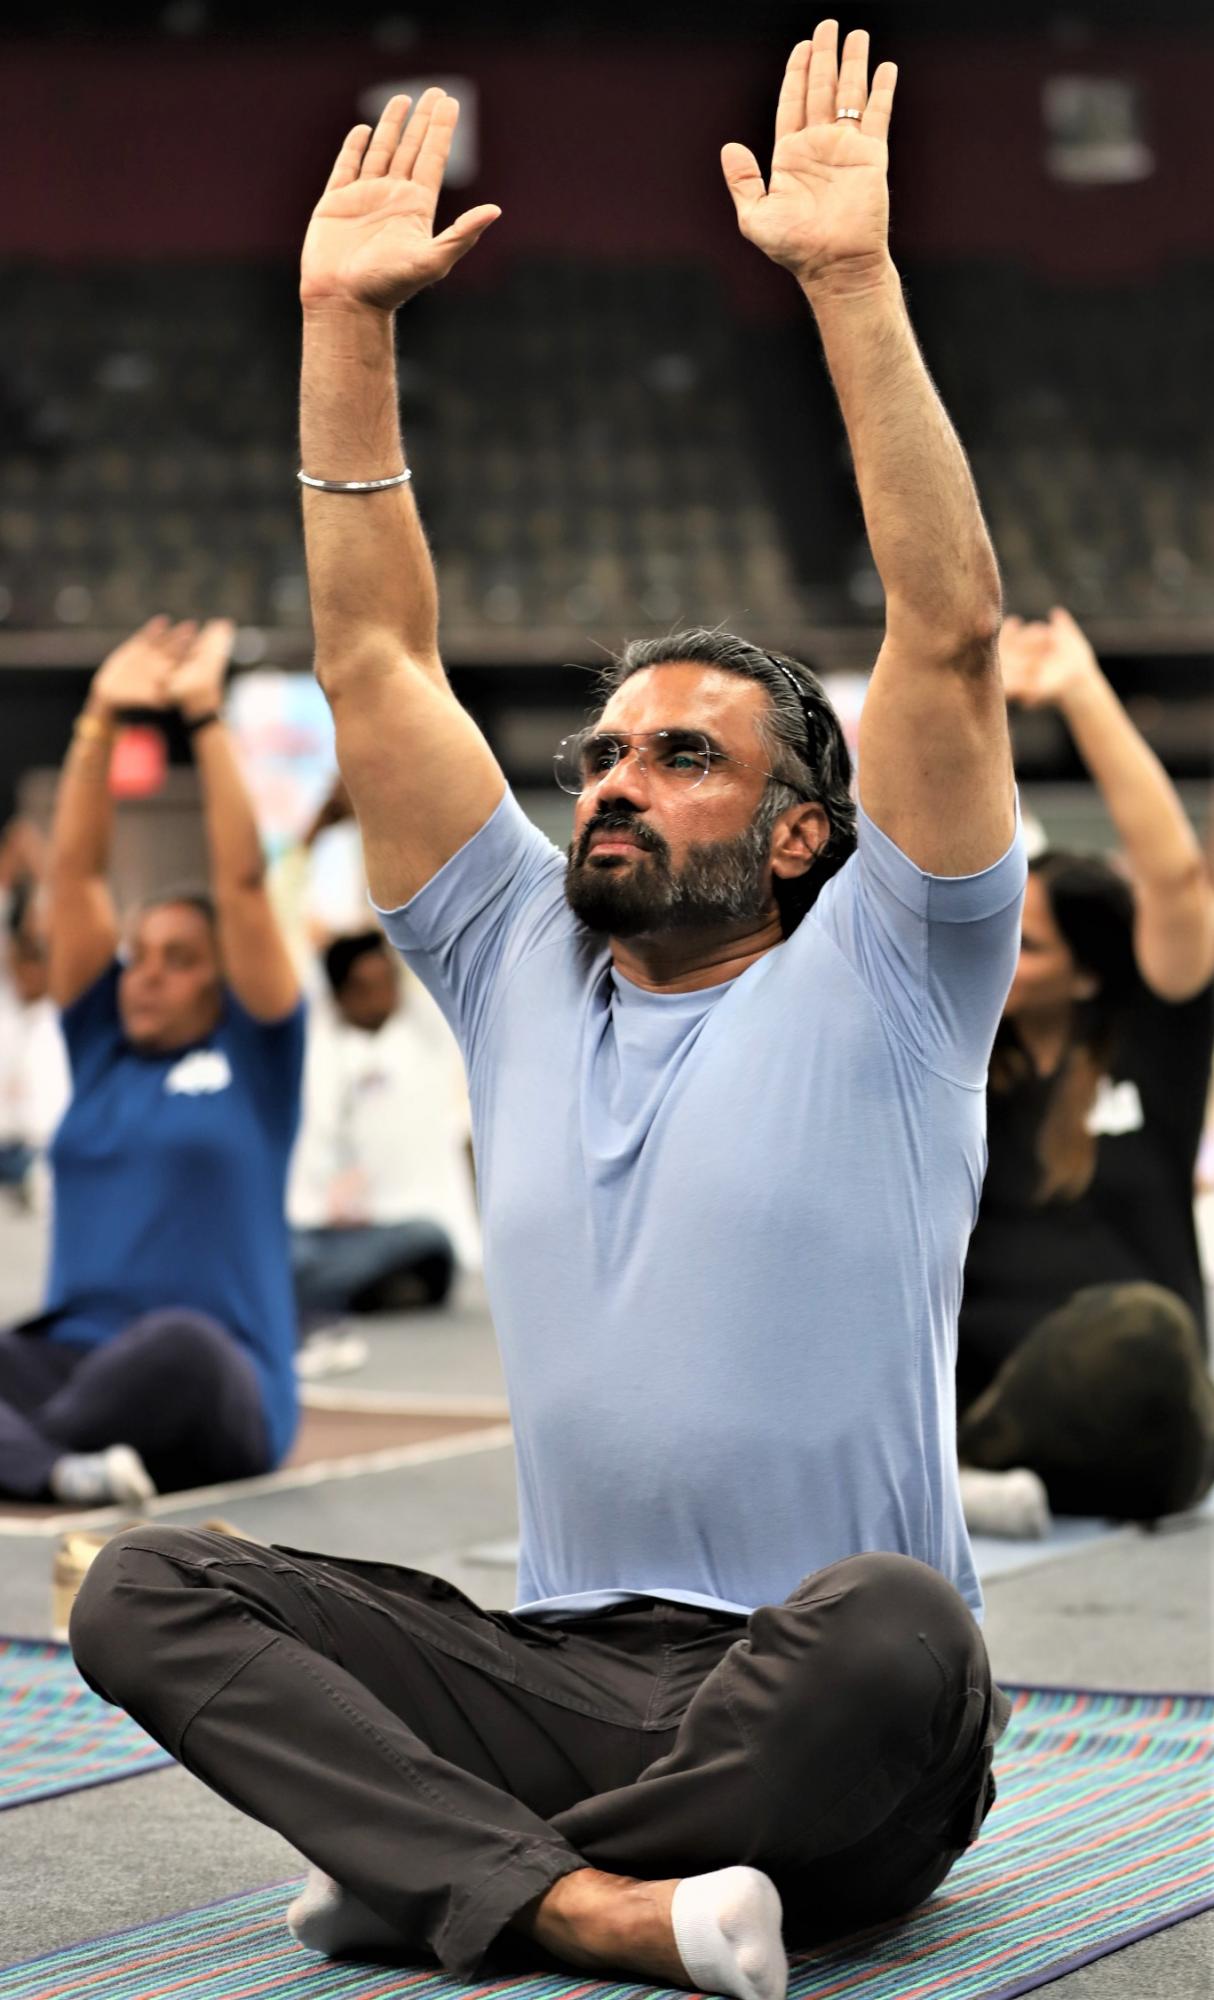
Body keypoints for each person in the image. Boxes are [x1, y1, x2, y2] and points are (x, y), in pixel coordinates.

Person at [72, 33, 1027, 2000]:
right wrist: (343, 326)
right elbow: (370, 650)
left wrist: (850, 284)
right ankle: (587, 1905)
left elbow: (938, 633)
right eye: (598, 749)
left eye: (677, 756)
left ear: (795, 836)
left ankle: (455, 1880)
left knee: (903, 1629)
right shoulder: (514, 954)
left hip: (824, 1713)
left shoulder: (897, 964)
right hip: (557, 1667)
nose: (605, 777)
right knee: (152, 1582)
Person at [0, 616, 304, 1506]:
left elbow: (241, 883)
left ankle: (31, 1462)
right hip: (72, 1361)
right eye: (140, 956)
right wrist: (99, 717)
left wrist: (204, 720)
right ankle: (61, 1470)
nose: (147, 977)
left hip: (215, 1378)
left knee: (178, 1346)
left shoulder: (254, 1057)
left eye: (181, 959)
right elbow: (76, 880)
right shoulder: (100, 1050)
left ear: (223, 985)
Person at [957, 608, 1214, 1536]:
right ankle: (963, 1469)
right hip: (988, 1411)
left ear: (1091, 969)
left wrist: (1078, 689)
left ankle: (967, 1483)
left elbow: (1176, 879)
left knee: (1139, 1330)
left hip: (1143, 1421)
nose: (1000, 964)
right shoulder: (965, 1065)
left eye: (1026, 948)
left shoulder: (1156, 1046)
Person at [289, 928, 479, 1360]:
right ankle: (356, 1289)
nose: (381, 995)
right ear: (338, 996)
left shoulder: (425, 1034)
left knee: (428, 1240)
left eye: (387, 981)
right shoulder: (322, 1053)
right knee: (289, 1253)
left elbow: (430, 947)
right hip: (344, 1237)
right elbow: (317, 1157)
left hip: (417, 1232)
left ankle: (345, 1291)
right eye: (364, 987)